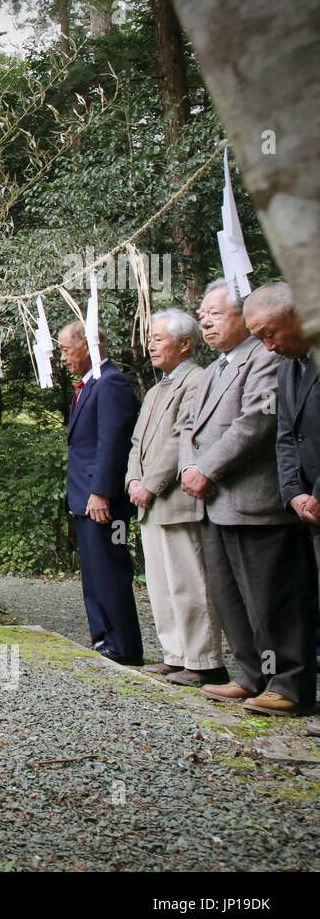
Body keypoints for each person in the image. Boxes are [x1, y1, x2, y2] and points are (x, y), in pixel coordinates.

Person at [180, 280, 313, 717]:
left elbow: (258, 422)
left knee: (272, 598)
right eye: (202, 316)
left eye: (215, 314)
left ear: (243, 316)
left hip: (256, 498)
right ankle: (251, 674)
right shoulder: (216, 368)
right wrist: (189, 468)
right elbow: (190, 429)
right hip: (214, 501)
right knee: (230, 596)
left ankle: (288, 682)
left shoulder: (267, 358)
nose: (207, 323)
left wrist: (207, 468)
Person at [126, 310, 226, 686]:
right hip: (147, 502)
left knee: (189, 581)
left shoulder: (197, 380)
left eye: (159, 338)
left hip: (175, 500)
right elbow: (137, 442)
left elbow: (179, 441)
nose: (151, 344)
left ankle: (204, 659)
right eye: (150, 338)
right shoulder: (155, 389)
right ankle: (175, 654)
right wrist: (133, 479)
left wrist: (150, 484)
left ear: (185, 343)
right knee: (161, 584)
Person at [241, 282, 320, 729]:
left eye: (270, 333)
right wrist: (293, 491)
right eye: (260, 338)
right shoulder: (288, 367)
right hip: (305, 506)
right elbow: (286, 437)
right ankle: (297, 691)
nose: (268, 345)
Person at [58, 319, 143, 664]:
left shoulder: (111, 384)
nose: (62, 358)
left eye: (65, 349)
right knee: (92, 573)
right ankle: (102, 638)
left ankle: (123, 645)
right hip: (82, 496)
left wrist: (101, 491)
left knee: (109, 570)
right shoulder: (88, 385)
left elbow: (113, 442)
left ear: (87, 345)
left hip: (100, 498)